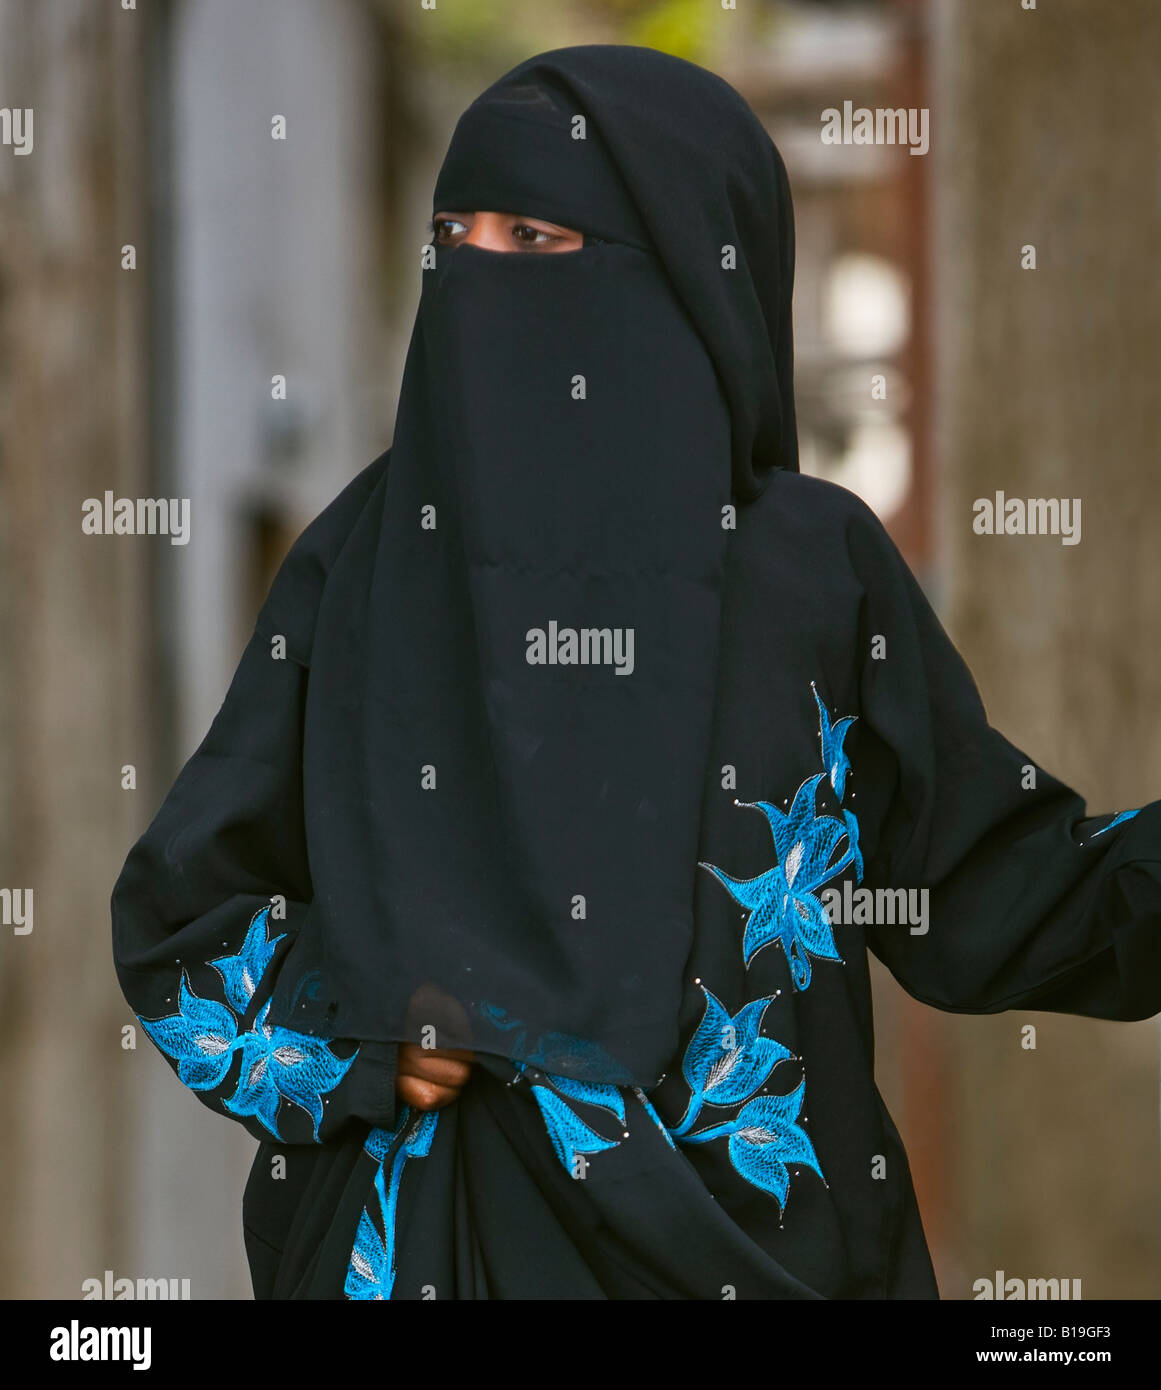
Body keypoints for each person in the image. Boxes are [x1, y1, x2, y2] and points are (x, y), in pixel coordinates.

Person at [110, 44, 1161, 1301]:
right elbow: (183, 919)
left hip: (766, 1256)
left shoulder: (811, 572)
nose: (478, 269)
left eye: (534, 234)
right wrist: (354, 1030)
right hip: (433, 1246)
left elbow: (991, 886)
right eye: (457, 232)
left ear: (683, 281)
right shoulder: (371, 560)